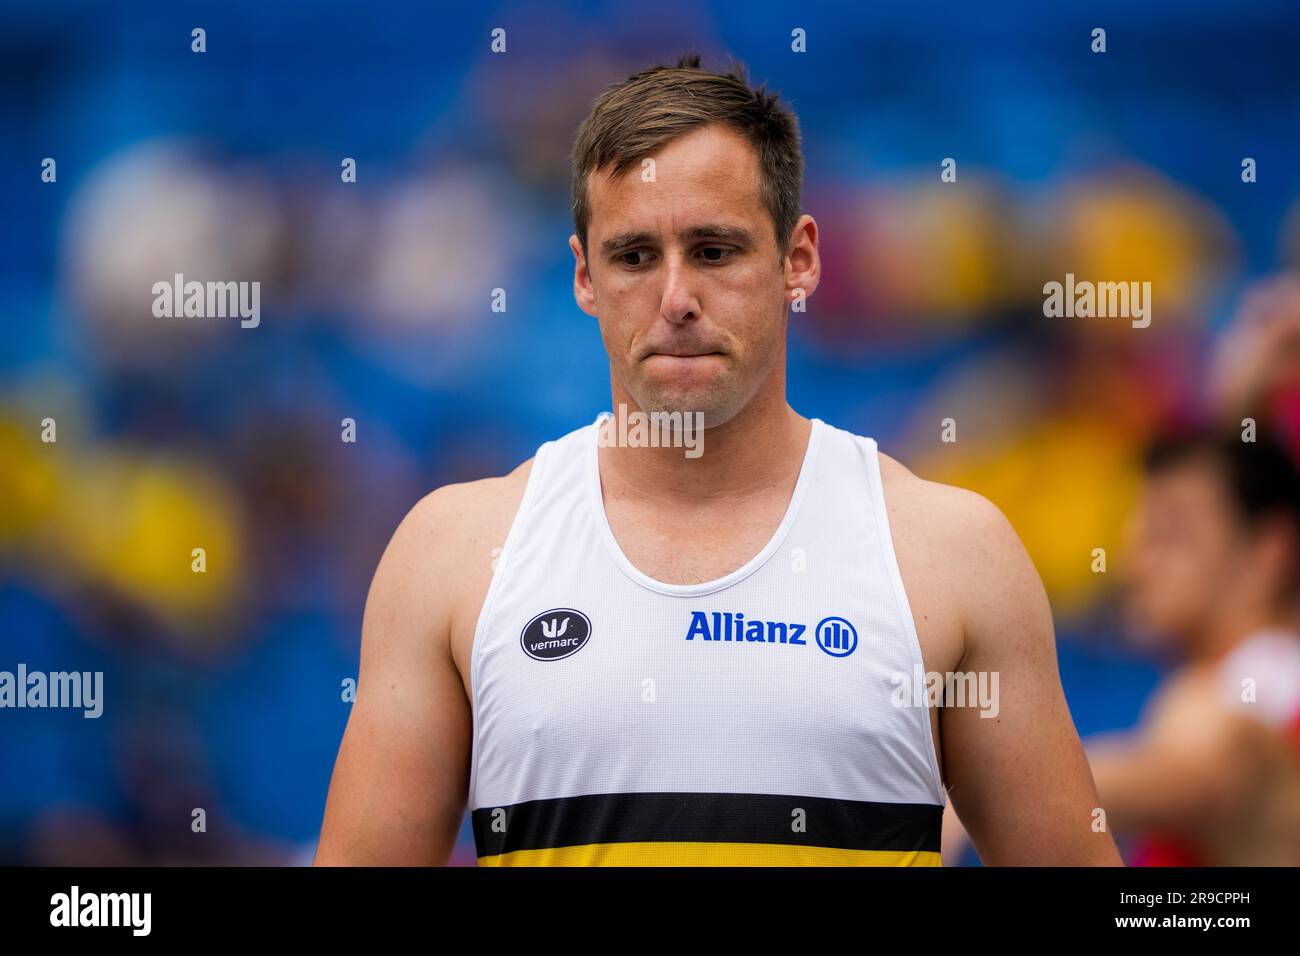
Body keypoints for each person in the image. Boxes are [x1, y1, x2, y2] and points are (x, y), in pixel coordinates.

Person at [313, 53, 1119, 866]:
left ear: (798, 259)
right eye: (633, 256)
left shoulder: (952, 553)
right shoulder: (452, 556)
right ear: (584, 276)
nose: (675, 299)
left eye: (714, 250)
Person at [1086, 426, 1300, 865]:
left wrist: (996, 788)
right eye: (1138, 535)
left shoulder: (1259, 680)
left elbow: (1214, 759)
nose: (1138, 562)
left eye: (1169, 533)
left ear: (1268, 549)